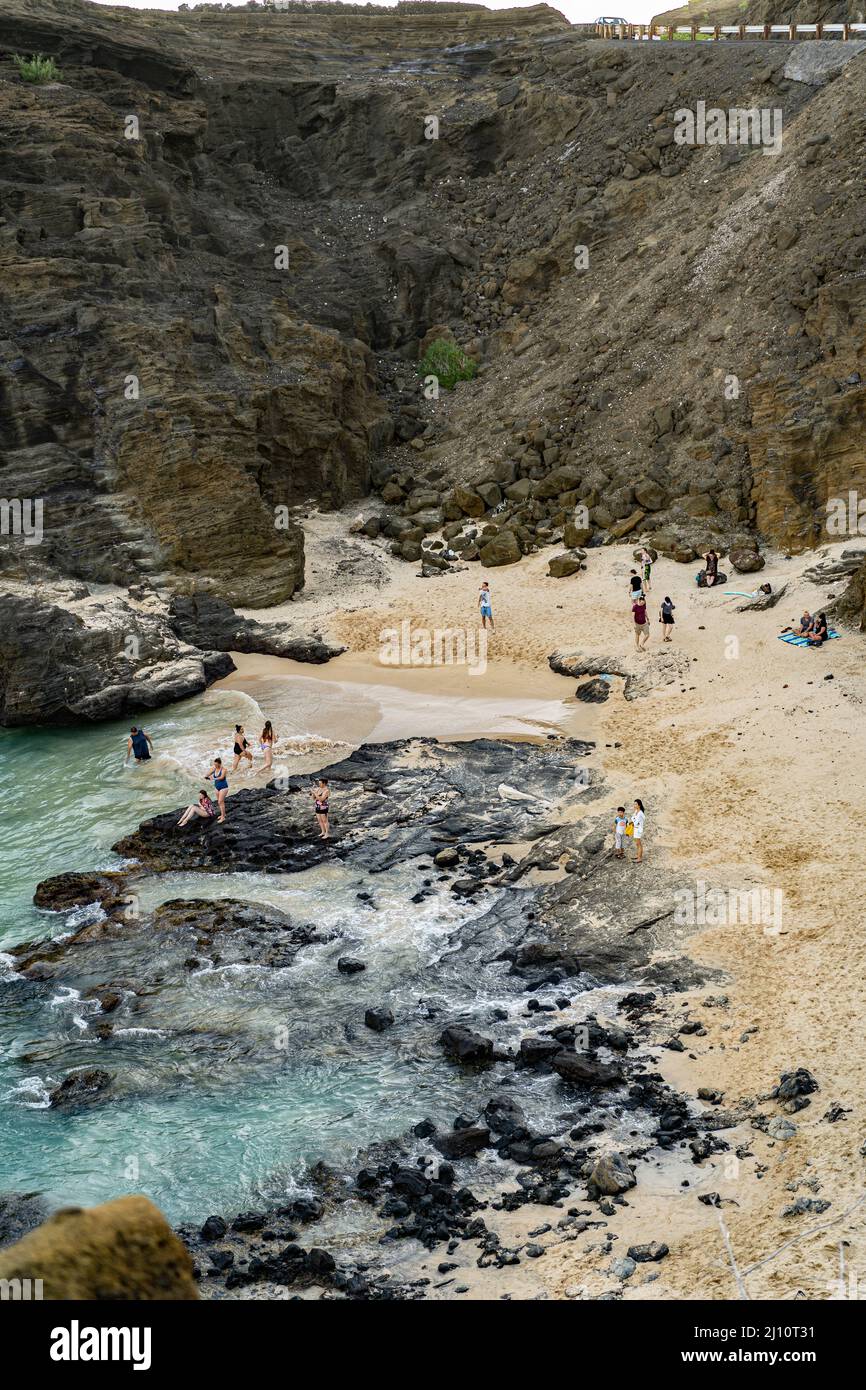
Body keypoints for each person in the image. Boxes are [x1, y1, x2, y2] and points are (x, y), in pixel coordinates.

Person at [206, 758, 229, 822]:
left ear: (220, 764)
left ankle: (223, 817)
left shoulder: (224, 769)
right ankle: (223, 814)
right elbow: (208, 774)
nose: (215, 766)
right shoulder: (214, 769)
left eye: (216, 765)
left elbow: (221, 777)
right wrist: (206, 776)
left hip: (223, 787)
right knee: (220, 802)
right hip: (217, 787)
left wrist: (213, 778)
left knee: (220, 802)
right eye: (214, 764)